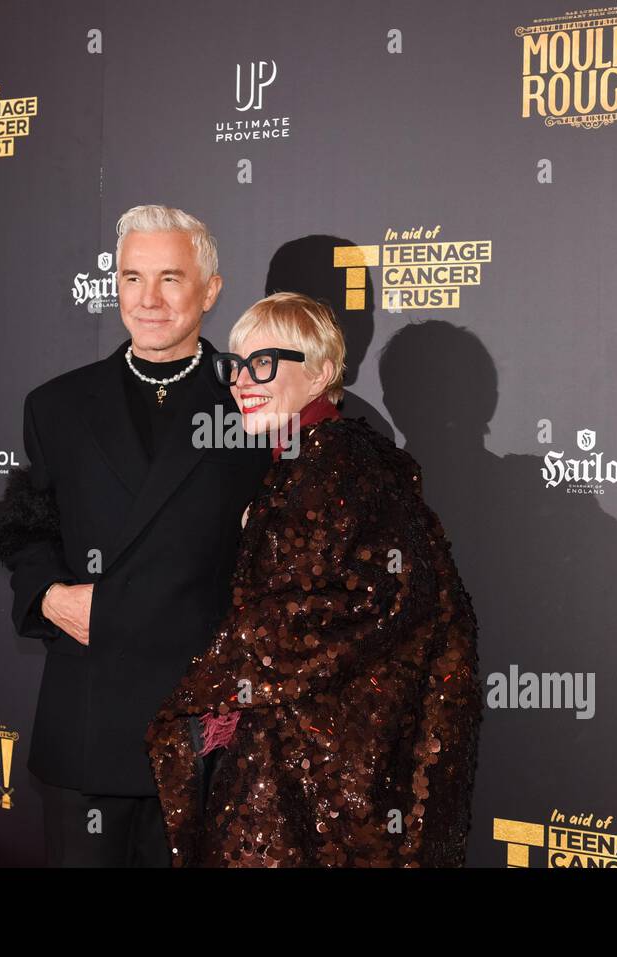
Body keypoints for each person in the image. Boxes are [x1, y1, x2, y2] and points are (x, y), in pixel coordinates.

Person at [144, 292, 483, 866]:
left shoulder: (339, 464)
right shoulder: (297, 463)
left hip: (320, 785)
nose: (243, 382)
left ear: (323, 371)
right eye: (235, 366)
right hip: (300, 770)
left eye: (265, 364)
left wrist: (219, 677)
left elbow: (373, 601)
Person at [0, 205, 270, 866]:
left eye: (170, 278)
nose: (148, 299)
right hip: (89, 724)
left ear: (211, 289)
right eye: (131, 277)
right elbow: (28, 526)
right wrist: (48, 593)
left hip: (205, 726)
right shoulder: (56, 405)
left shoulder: (254, 403)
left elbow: (277, 558)